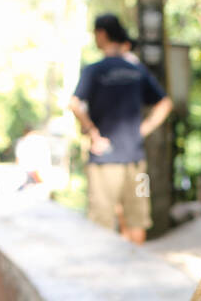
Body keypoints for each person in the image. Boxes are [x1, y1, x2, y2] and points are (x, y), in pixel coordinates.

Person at [69, 14, 173, 244]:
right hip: (137, 162)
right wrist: (143, 130)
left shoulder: (94, 70)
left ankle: (107, 277)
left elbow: (74, 103)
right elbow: (165, 103)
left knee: (101, 224)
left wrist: (93, 133)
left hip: (104, 162)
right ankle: (135, 272)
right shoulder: (136, 70)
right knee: (138, 220)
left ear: (102, 34)